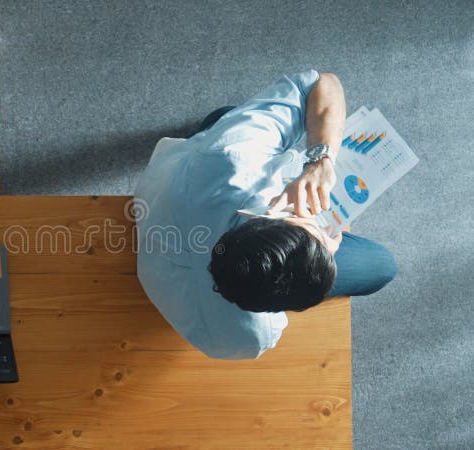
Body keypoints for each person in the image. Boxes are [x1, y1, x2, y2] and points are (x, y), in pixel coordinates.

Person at [134, 70, 397, 359]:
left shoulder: (233, 153)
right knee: (383, 266)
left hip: (171, 206)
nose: (327, 236)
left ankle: (220, 122)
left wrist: (320, 160)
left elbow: (324, 83)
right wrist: (326, 248)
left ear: (270, 212)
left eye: (309, 225)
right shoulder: (257, 335)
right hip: (168, 199)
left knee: (226, 116)